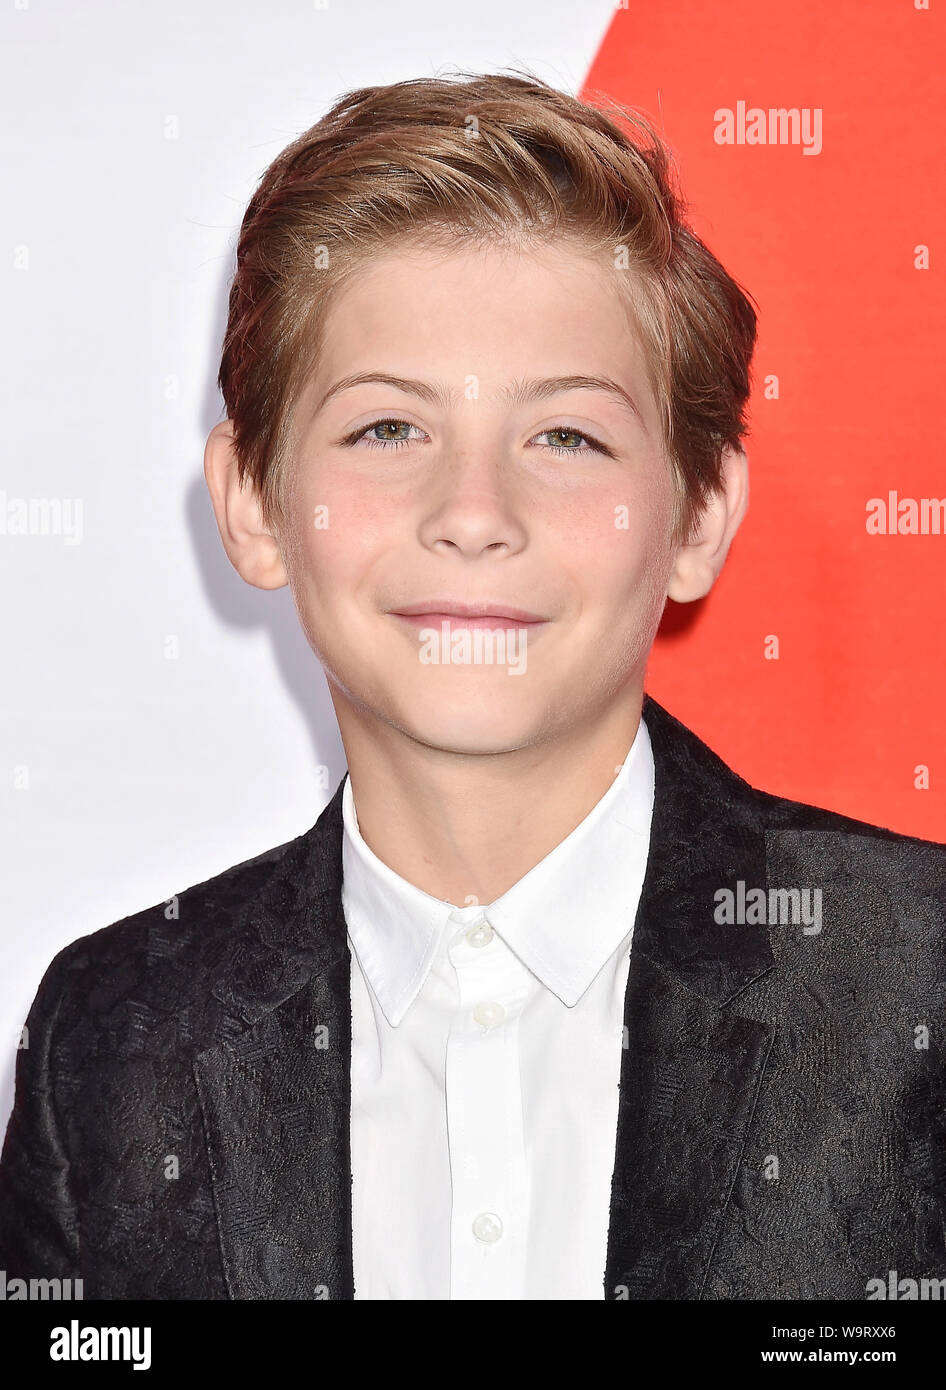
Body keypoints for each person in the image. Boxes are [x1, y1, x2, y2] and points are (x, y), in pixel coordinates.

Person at [1, 70, 944, 1302]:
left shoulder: (915, 986)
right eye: (388, 429)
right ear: (253, 503)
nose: (473, 515)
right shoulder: (112, 1039)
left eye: (566, 437)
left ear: (699, 513)